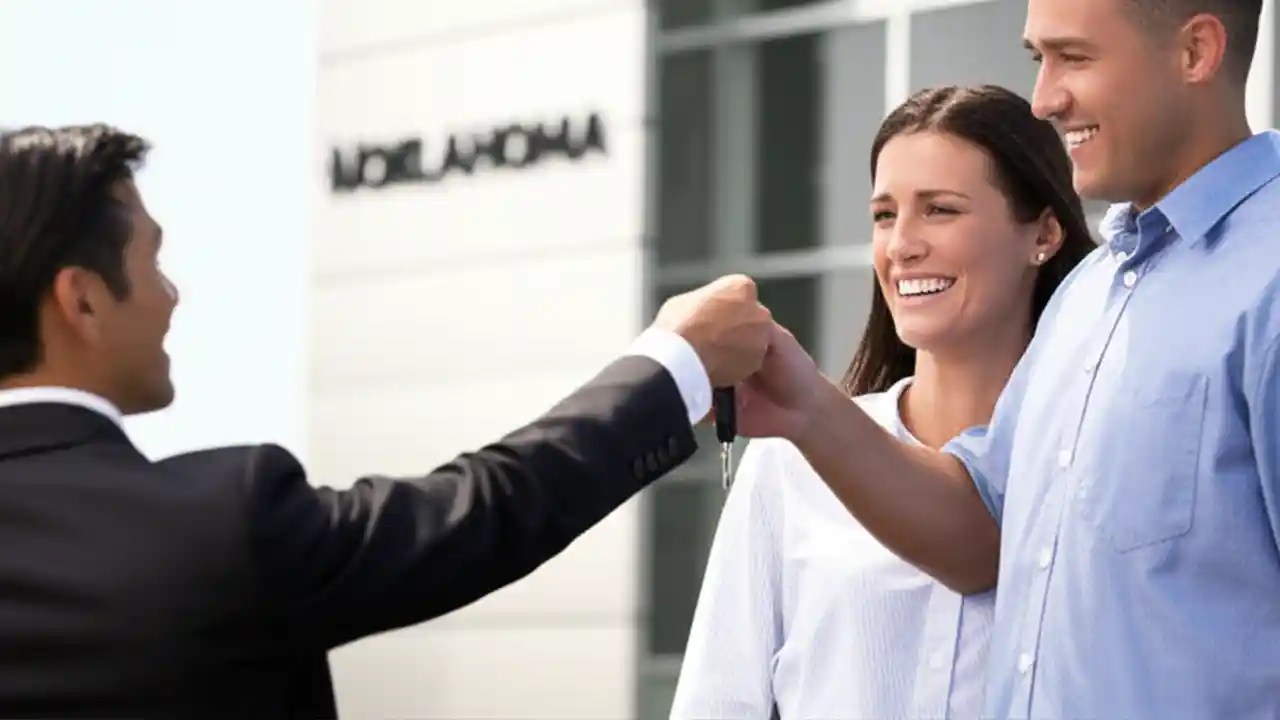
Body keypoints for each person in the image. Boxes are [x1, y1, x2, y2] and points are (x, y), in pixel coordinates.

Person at [0, 124, 773, 717]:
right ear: (82, 300)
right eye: (153, 263)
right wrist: (677, 365)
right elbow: (484, 510)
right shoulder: (216, 526)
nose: (173, 297)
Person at [734, 0, 1280, 717]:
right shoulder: (1088, 296)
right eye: (1037, 59)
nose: (1046, 98)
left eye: (1074, 58)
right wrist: (804, 403)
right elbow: (978, 536)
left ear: (1195, 52)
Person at [669, 85, 1094, 720]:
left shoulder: (1088, 458)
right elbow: (719, 702)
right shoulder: (790, 464)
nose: (901, 246)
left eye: (941, 210)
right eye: (885, 215)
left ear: (1045, 233)